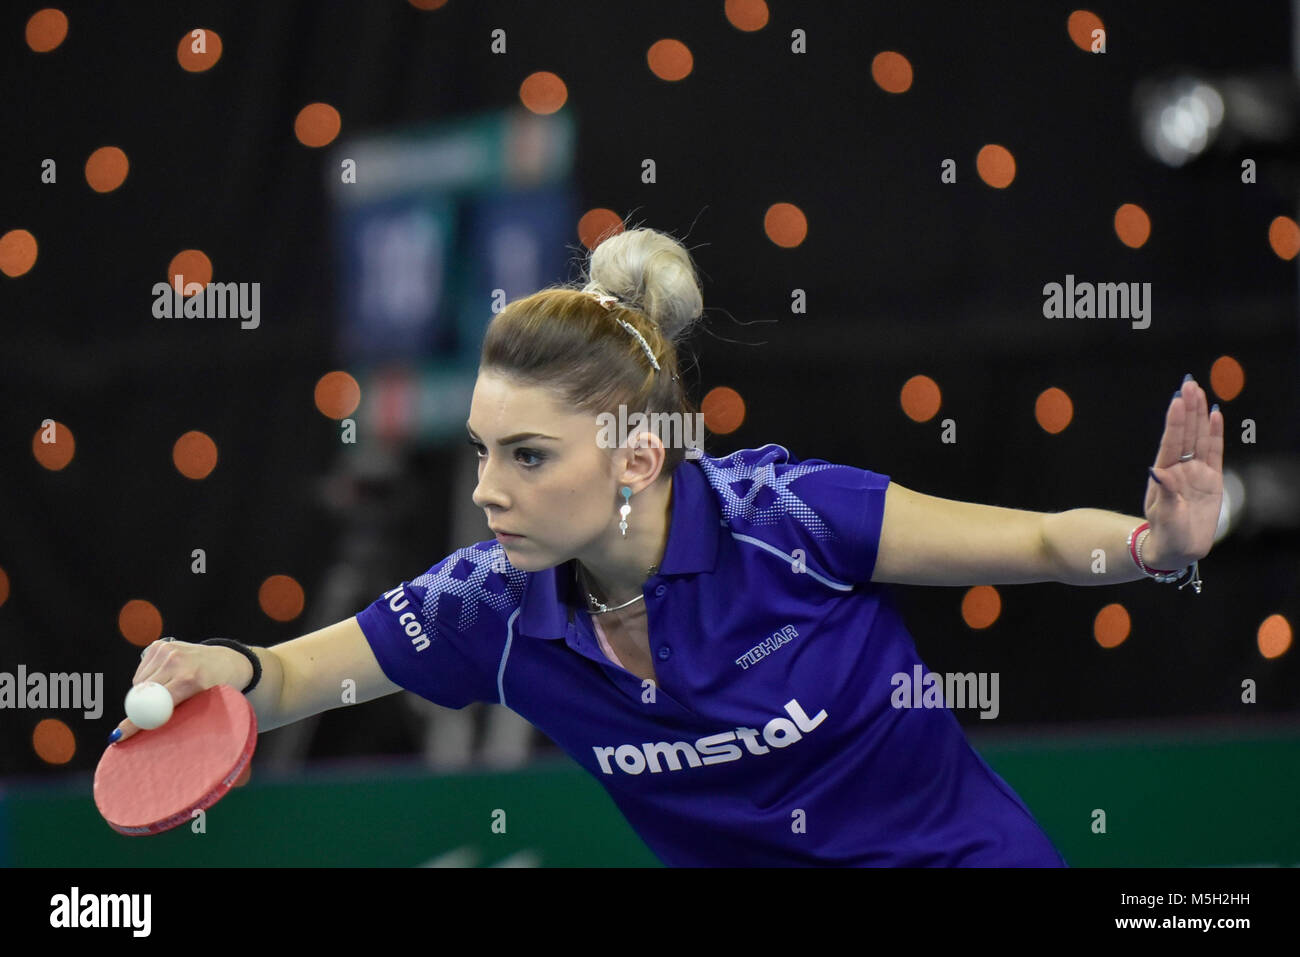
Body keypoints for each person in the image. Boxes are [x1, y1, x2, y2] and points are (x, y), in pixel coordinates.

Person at [111, 226, 1224, 866]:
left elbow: (1041, 542)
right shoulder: (489, 604)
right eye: (483, 451)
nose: (487, 491)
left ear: (637, 458)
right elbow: (294, 674)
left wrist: (1154, 544)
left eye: (529, 456)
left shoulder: (789, 521)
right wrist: (222, 672)